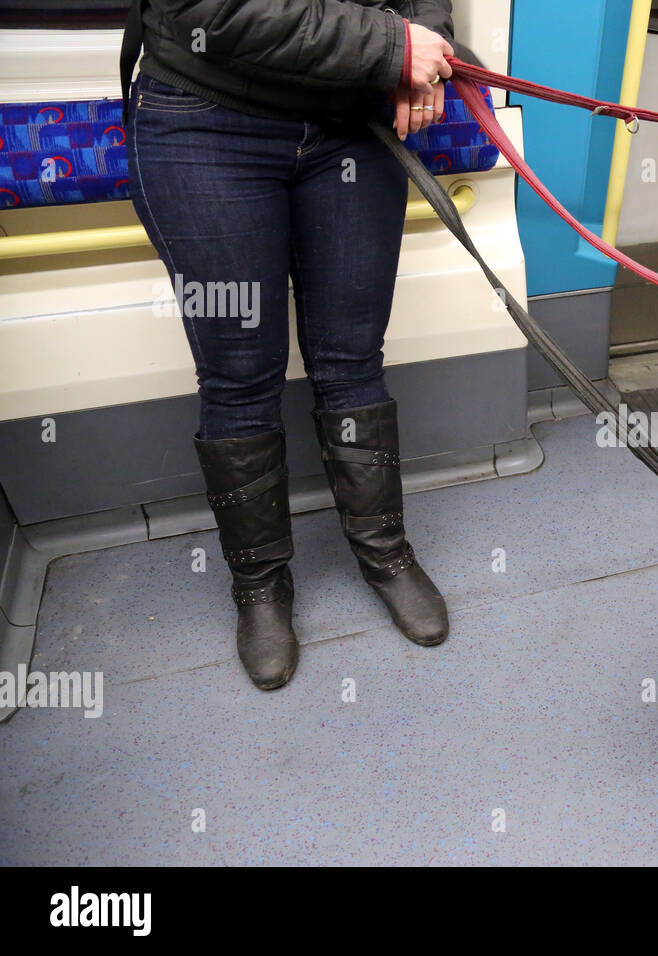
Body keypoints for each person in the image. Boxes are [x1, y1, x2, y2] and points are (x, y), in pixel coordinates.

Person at [122, 1, 480, 689]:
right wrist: (391, 44)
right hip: (205, 120)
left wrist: (426, 48)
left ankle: (384, 552)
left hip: (350, 119)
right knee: (238, 375)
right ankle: (259, 586)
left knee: (353, 360)